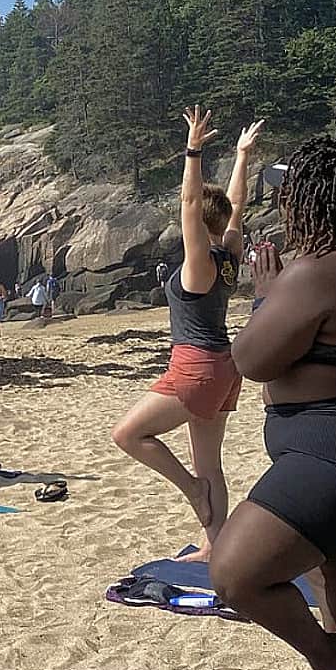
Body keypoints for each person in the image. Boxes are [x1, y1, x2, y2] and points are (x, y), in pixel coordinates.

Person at [209, 136, 336, 670]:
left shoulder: (320, 270)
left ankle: (325, 657)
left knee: (234, 573)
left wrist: (265, 295)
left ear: (313, 200)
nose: (284, 206)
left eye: (288, 195)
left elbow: (250, 359)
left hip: (331, 456)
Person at [111, 108, 263, 564]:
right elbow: (235, 206)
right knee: (210, 461)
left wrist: (193, 150)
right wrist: (241, 156)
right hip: (224, 365)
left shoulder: (199, 266)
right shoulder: (230, 254)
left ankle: (193, 491)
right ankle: (215, 544)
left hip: (195, 366)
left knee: (128, 435)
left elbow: (191, 205)